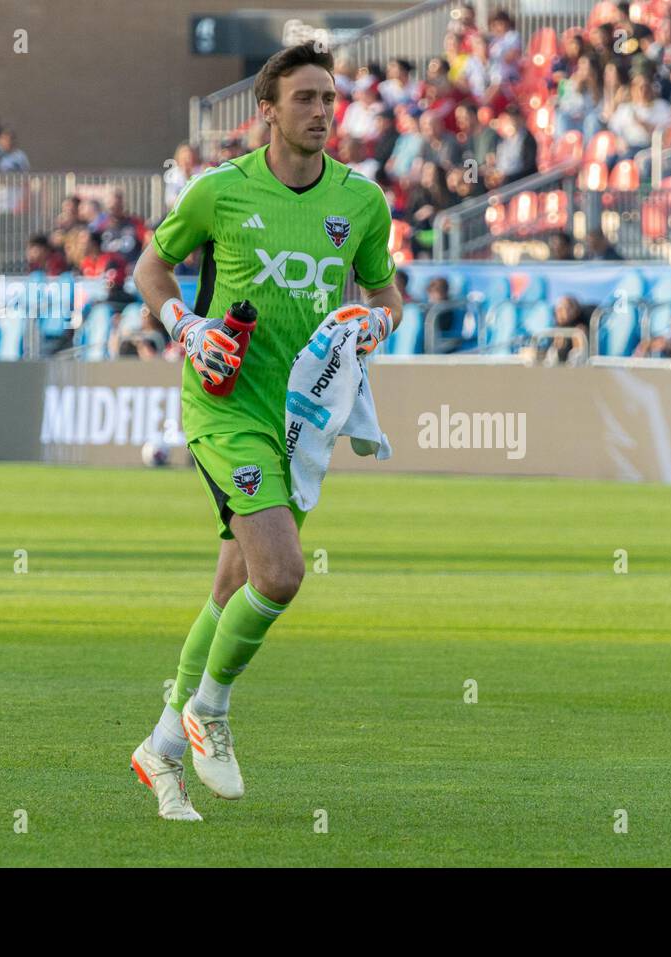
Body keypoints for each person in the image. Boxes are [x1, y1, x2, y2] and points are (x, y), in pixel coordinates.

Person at [131, 41, 403, 822]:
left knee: (234, 585)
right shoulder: (220, 191)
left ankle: (160, 750)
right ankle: (208, 711)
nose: (322, 111)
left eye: (330, 98)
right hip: (225, 408)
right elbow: (152, 268)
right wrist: (185, 325)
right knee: (280, 574)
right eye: (307, 98)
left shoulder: (361, 201)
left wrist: (376, 321)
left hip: (302, 417)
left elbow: (387, 291)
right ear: (269, 110)